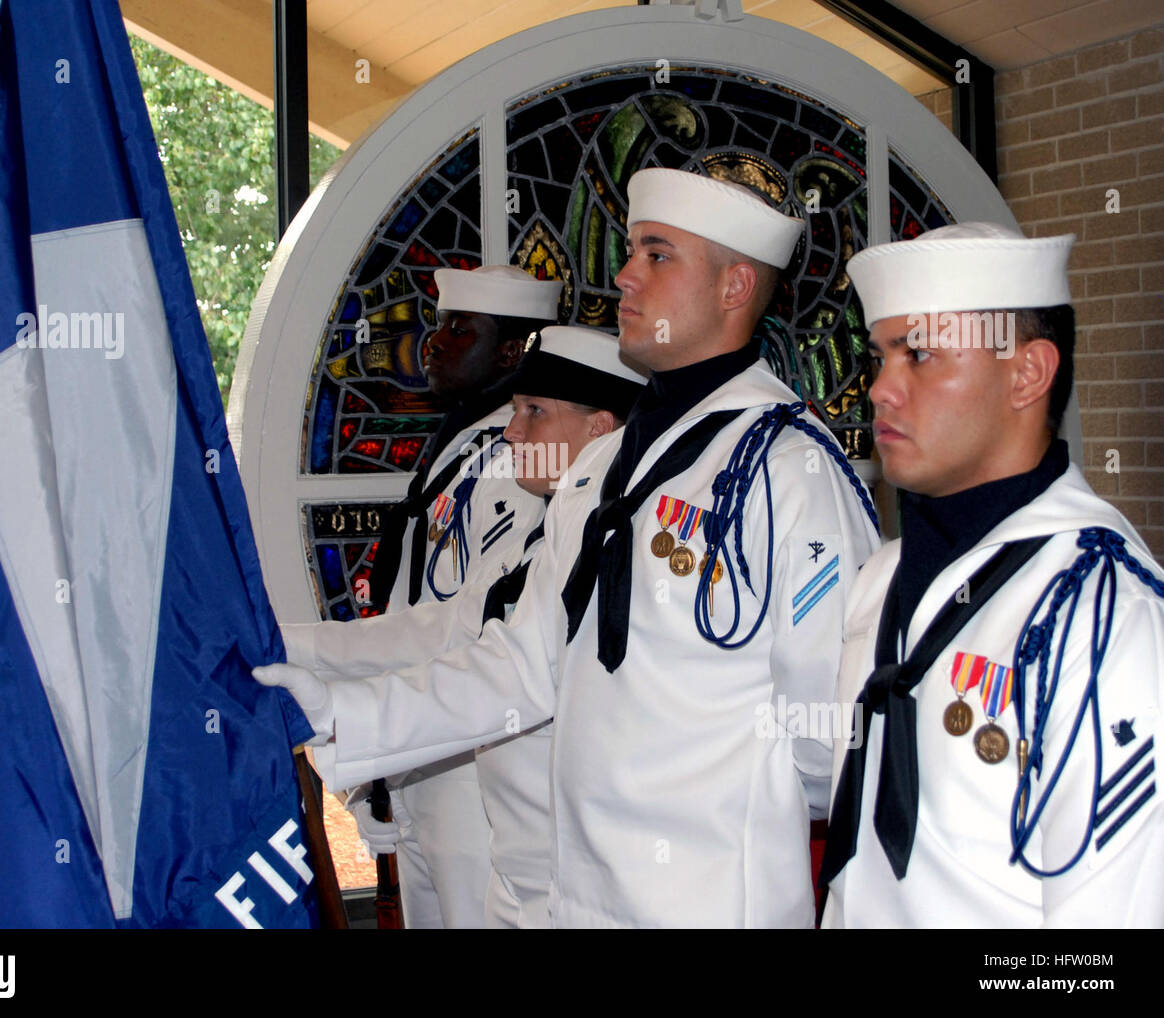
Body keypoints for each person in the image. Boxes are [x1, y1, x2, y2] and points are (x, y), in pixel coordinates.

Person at [260, 167, 882, 927]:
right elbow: (522, 664)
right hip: (576, 898)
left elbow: (826, 745)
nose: (624, 275)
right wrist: (340, 713)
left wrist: (705, 803)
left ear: (734, 287)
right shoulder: (603, 465)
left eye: (658, 255)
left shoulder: (787, 468)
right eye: (630, 251)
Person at [820, 222, 1164, 927]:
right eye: (879, 356)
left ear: (1027, 373)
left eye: (920, 355)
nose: (880, 389)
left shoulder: (1105, 618)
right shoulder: (882, 578)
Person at [277, 326, 645, 927]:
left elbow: (487, 659)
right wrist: (299, 649)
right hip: (514, 850)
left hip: (556, 862)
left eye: (534, 411)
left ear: (599, 428)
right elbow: (446, 623)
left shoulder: (607, 539)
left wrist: (336, 711)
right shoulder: (556, 528)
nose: (512, 431)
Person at [335, 263, 560, 929]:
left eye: (462, 329)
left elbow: (469, 626)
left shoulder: (519, 458)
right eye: (439, 325)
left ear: (512, 353)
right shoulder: (463, 442)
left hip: (473, 759)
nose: (435, 342)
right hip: (421, 745)